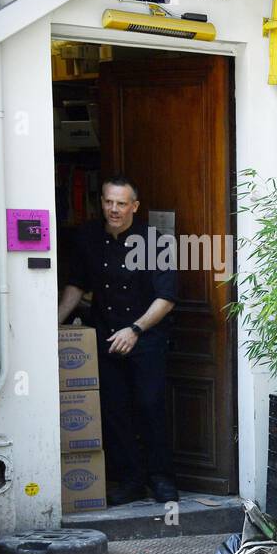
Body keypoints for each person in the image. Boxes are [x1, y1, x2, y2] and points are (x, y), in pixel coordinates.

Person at [57, 176, 178, 505]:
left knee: (150, 407)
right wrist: (53, 322)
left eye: (121, 203)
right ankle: (131, 480)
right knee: (115, 411)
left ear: (134, 207)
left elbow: (166, 298)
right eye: (109, 201)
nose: (114, 208)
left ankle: (162, 478)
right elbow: (77, 285)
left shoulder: (156, 242)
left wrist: (135, 330)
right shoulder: (87, 237)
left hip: (146, 336)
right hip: (106, 334)